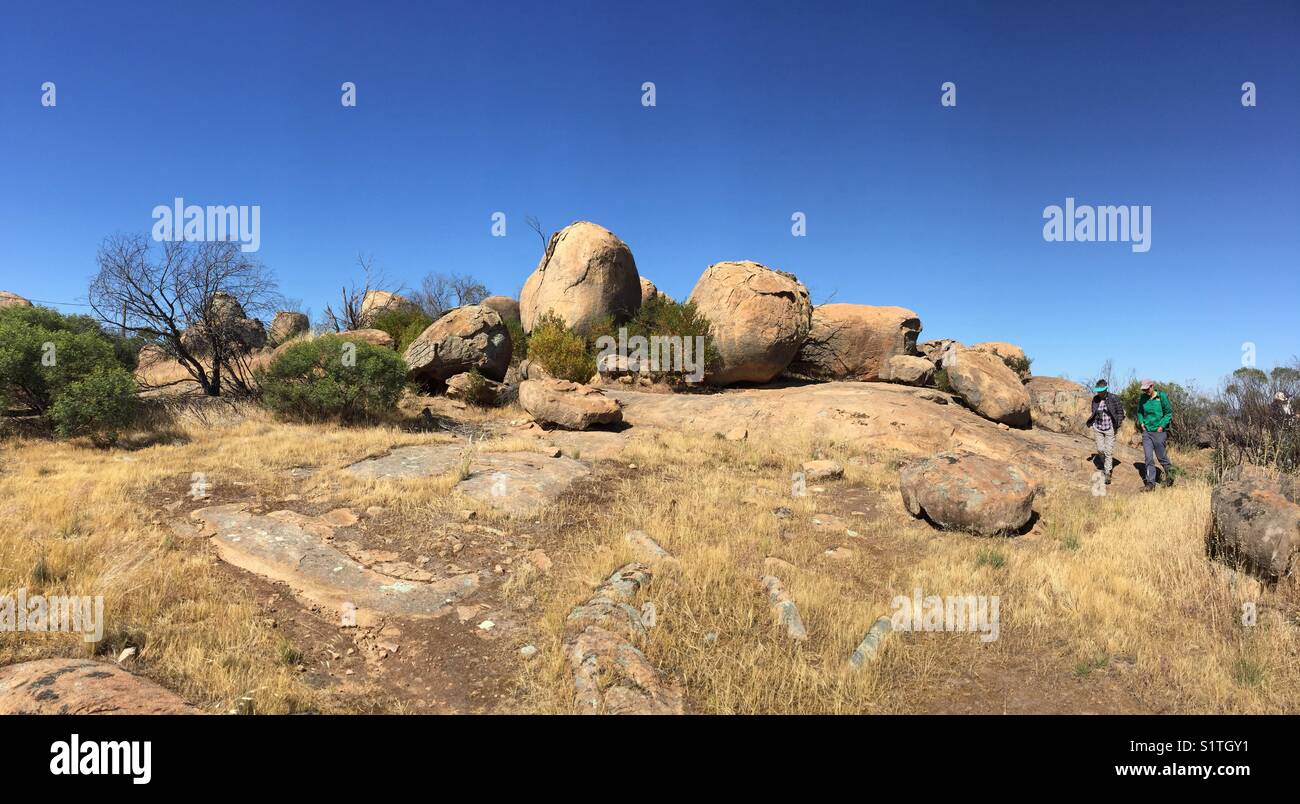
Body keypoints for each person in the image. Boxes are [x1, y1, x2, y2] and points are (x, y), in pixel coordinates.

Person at [1135, 379, 1174, 491]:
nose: (1145, 391)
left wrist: (1161, 426)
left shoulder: (1161, 397)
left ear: (1152, 386)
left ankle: (1171, 477)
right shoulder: (1143, 398)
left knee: (1161, 457)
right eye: (1144, 390)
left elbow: (1168, 413)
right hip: (1147, 432)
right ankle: (1150, 484)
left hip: (1159, 432)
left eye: (1147, 389)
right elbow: (1139, 412)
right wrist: (1142, 423)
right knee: (1148, 458)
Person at [1085, 378, 1124, 484]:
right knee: (1100, 450)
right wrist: (1093, 422)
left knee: (1108, 451)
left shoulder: (1114, 398)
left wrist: (1117, 424)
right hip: (1098, 428)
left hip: (1110, 428)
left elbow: (1120, 412)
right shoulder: (1095, 399)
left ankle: (1107, 472)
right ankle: (1105, 463)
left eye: (1101, 391)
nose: (1099, 393)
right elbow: (1093, 411)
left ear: (1106, 389)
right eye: (1098, 391)